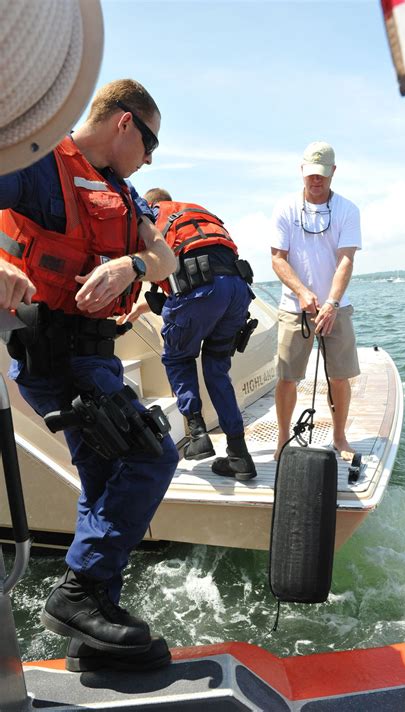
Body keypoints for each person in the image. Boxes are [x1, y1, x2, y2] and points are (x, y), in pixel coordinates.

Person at [0, 79, 179, 672]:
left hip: (95, 355)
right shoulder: (41, 163)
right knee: (152, 455)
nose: (151, 158)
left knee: (104, 480)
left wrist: (131, 264)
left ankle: (94, 627)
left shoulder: (126, 195)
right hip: (57, 355)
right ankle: (79, 594)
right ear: (123, 123)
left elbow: (166, 258)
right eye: (149, 142)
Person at [123, 188, 257, 481]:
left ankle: (198, 435)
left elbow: (182, 281)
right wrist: (138, 311)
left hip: (200, 294)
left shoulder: (152, 217)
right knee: (216, 369)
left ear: (151, 203)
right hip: (237, 292)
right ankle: (239, 455)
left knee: (176, 358)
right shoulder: (197, 212)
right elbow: (198, 275)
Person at [270, 141, 361, 461]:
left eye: (322, 174)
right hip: (294, 308)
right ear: (302, 172)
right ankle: (283, 439)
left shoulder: (348, 210)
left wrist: (331, 302)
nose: (316, 180)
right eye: (311, 174)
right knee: (287, 377)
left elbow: (346, 260)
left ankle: (339, 437)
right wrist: (302, 292)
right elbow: (278, 259)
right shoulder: (285, 208)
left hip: (336, 307)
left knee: (339, 376)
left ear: (333, 172)